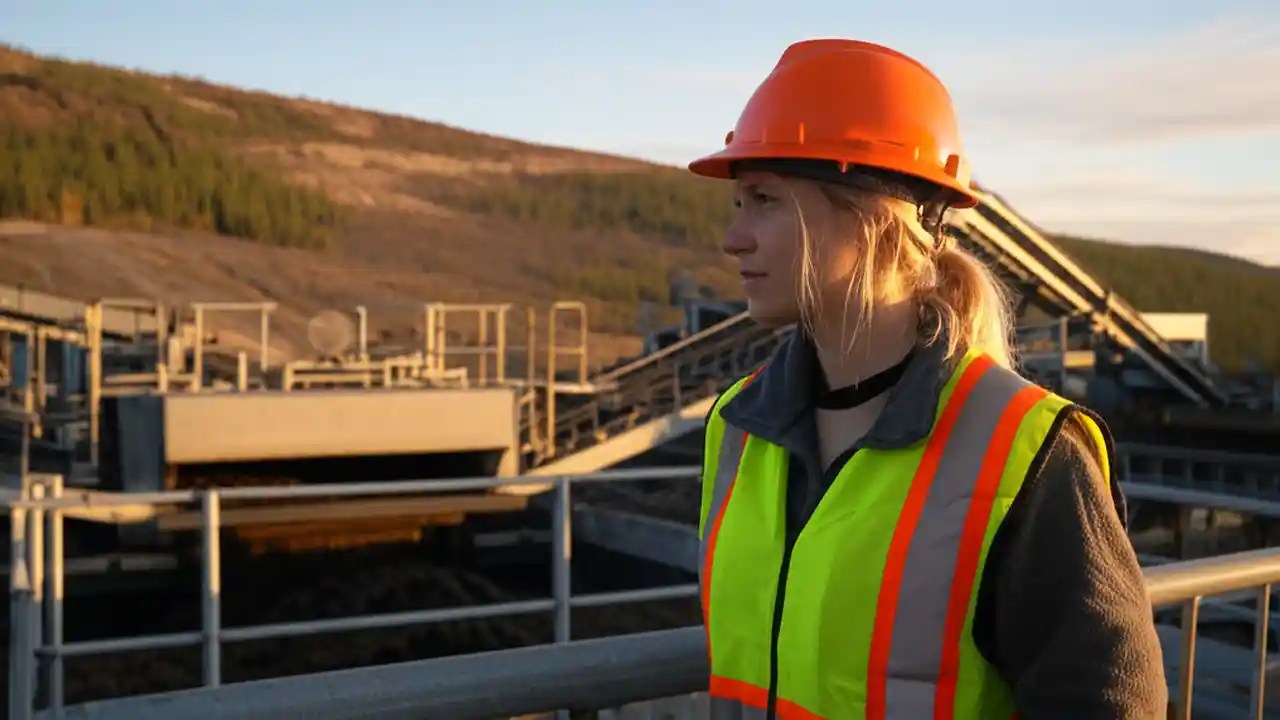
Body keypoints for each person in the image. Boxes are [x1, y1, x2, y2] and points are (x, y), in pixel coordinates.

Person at [689, 39, 1167, 719]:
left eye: (764, 199)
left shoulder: (1027, 452)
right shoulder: (737, 426)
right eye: (738, 203)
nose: (733, 238)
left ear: (874, 219)